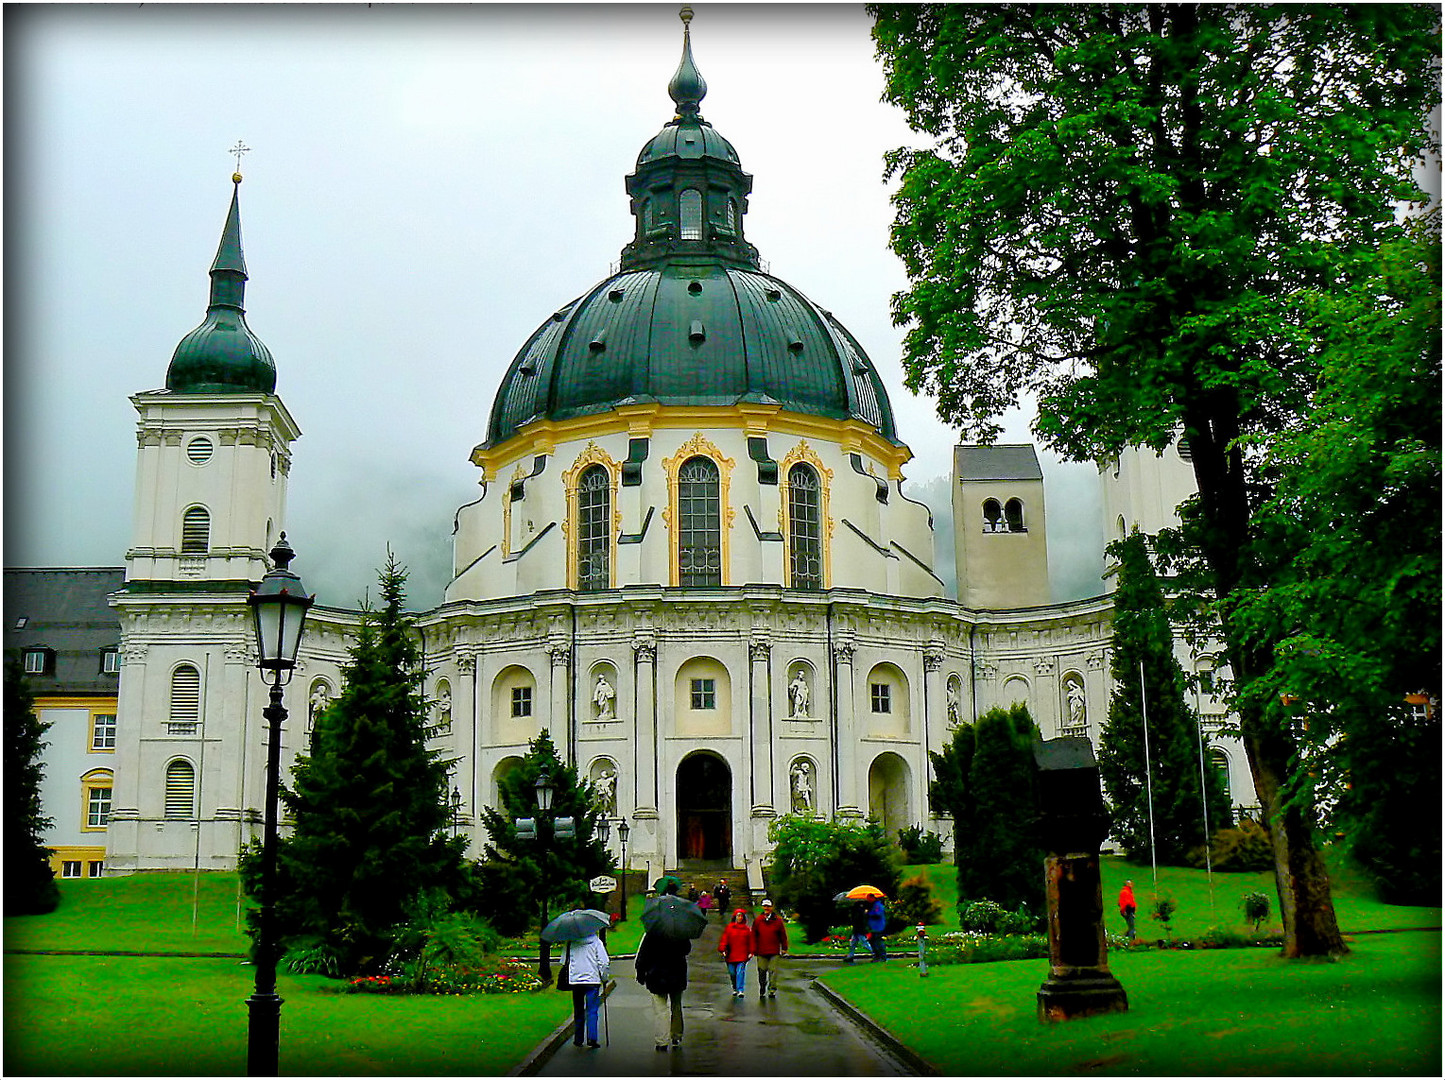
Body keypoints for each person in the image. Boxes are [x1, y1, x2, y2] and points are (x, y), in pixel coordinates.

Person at [636, 928, 691, 1050]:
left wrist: (640, 972)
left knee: (661, 1009)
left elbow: (643, 954)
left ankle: (662, 1040)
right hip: (677, 974)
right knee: (676, 1006)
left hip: (657, 976)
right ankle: (676, 1035)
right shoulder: (680, 931)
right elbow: (687, 949)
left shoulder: (652, 933)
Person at [563, 931, 609, 1049]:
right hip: (592, 980)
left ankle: (578, 1039)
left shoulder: (571, 942)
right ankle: (592, 1038)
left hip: (576, 981)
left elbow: (564, 961)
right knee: (592, 1010)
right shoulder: (596, 942)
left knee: (578, 1010)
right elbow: (603, 962)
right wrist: (604, 978)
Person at [751, 898, 789, 999]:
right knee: (762, 971)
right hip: (761, 951)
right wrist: (753, 948)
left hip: (774, 951)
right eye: (765, 906)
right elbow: (753, 935)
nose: (766, 908)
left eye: (768, 906)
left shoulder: (778, 921)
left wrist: (784, 947)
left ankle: (772, 989)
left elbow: (783, 935)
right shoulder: (758, 920)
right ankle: (762, 987)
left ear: (771, 907)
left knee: (773, 971)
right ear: (763, 907)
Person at [718, 908, 755, 997]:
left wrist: (751, 952)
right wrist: (723, 949)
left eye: (741, 916)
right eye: (738, 916)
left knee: (740, 972)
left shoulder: (746, 929)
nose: (740, 918)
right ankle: (735, 987)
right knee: (732, 973)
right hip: (730, 955)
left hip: (742, 955)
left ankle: (740, 990)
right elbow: (724, 940)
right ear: (735, 917)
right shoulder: (730, 928)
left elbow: (751, 941)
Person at [866, 896, 887, 962]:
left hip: (878, 927)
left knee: (878, 941)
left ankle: (882, 956)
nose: (868, 900)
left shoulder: (878, 905)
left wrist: (868, 913)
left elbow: (878, 914)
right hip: (874, 927)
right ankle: (877, 956)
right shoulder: (874, 905)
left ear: (873, 898)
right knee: (873, 941)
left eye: (869, 898)